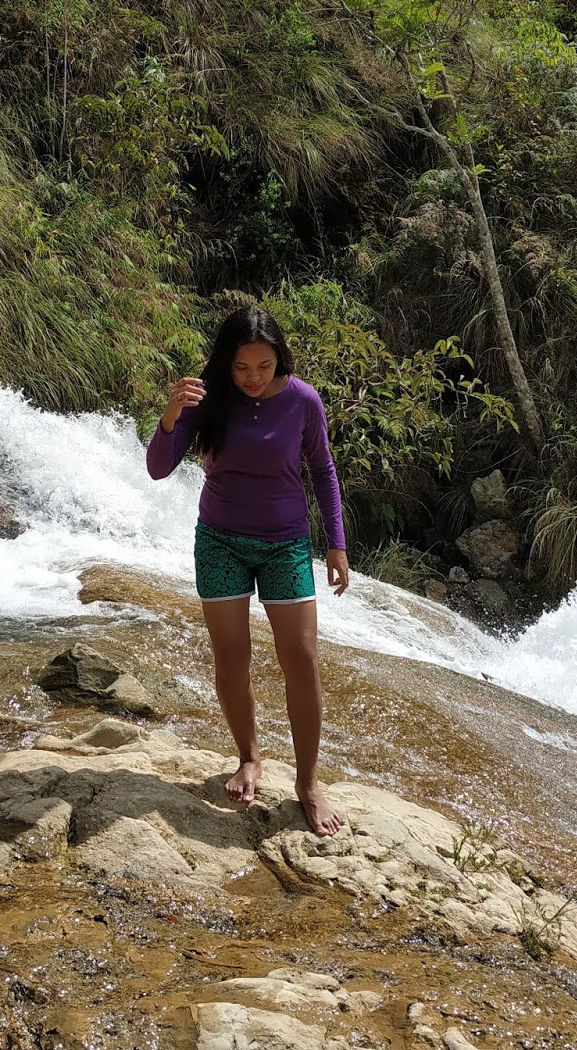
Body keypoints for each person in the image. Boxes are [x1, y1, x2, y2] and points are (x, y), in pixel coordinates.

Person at [146, 305, 350, 837]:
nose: (253, 378)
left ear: (279, 358)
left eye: (263, 366)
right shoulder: (205, 399)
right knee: (232, 658)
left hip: (285, 544)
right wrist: (170, 416)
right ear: (225, 364)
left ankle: (308, 783)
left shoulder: (303, 401)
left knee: (301, 661)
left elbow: (323, 471)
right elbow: (158, 468)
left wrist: (337, 545)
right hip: (219, 542)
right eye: (241, 368)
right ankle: (249, 758)